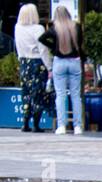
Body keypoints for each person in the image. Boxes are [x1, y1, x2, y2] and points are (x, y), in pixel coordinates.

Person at [41, 4, 84, 135]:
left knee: (60, 95)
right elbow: (80, 43)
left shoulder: (54, 29)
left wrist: (54, 47)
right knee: (76, 95)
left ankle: (62, 126)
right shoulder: (76, 27)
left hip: (59, 62)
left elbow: (42, 38)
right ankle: (77, 126)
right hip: (75, 62)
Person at [13, 4, 52, 133]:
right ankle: (36, 123)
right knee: (38, 94)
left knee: (26, 93)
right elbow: (43, 50)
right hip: (37, 63)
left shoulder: (17, 28)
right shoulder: (38, 28)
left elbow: (18, 47)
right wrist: (49, 67)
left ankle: (25, 122)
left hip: (24, 62)